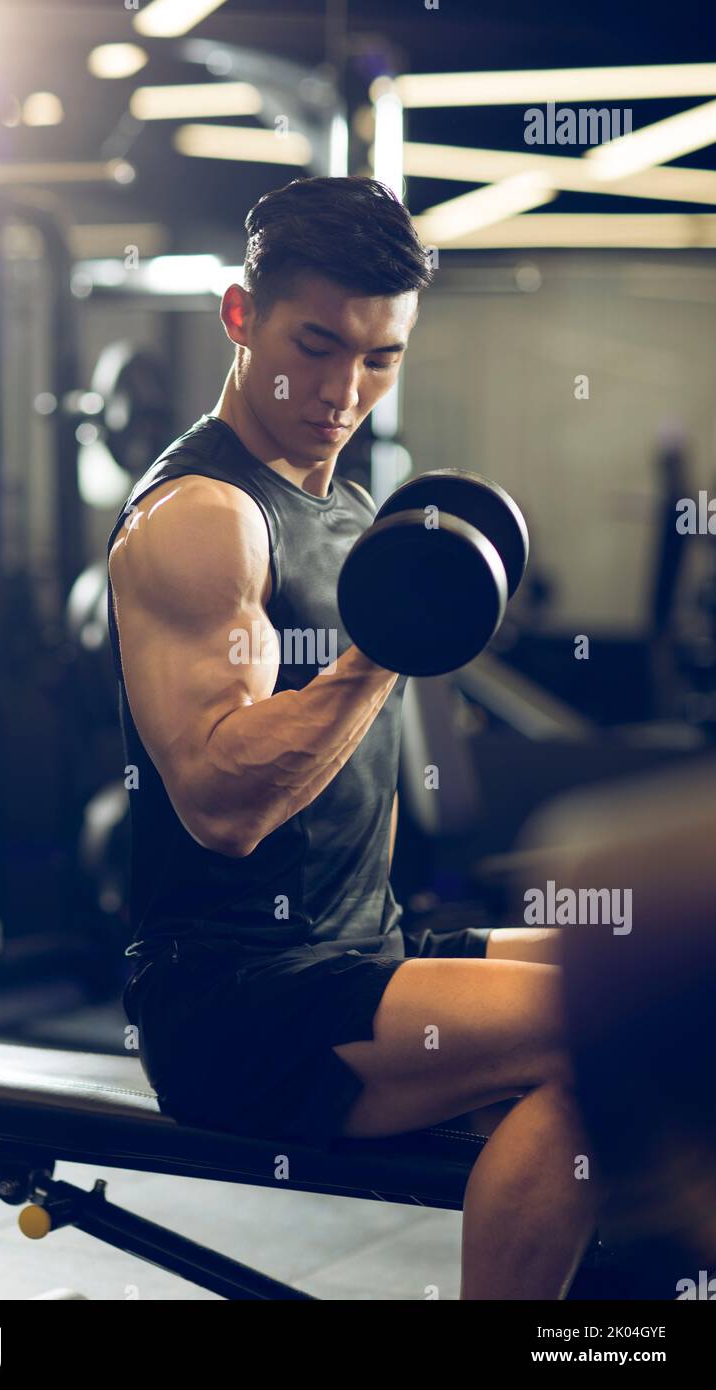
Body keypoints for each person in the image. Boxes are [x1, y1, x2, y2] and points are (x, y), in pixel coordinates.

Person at [107, 175, 599, 1299]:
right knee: (602, 1037)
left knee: (659, 981)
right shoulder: (203, 517)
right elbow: (220, 808)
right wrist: (385, 645)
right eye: (314, 346)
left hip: (359, 954)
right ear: (240, 318)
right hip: (236, 1005)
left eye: (377, 358)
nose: (341, 390)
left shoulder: (339, 503)